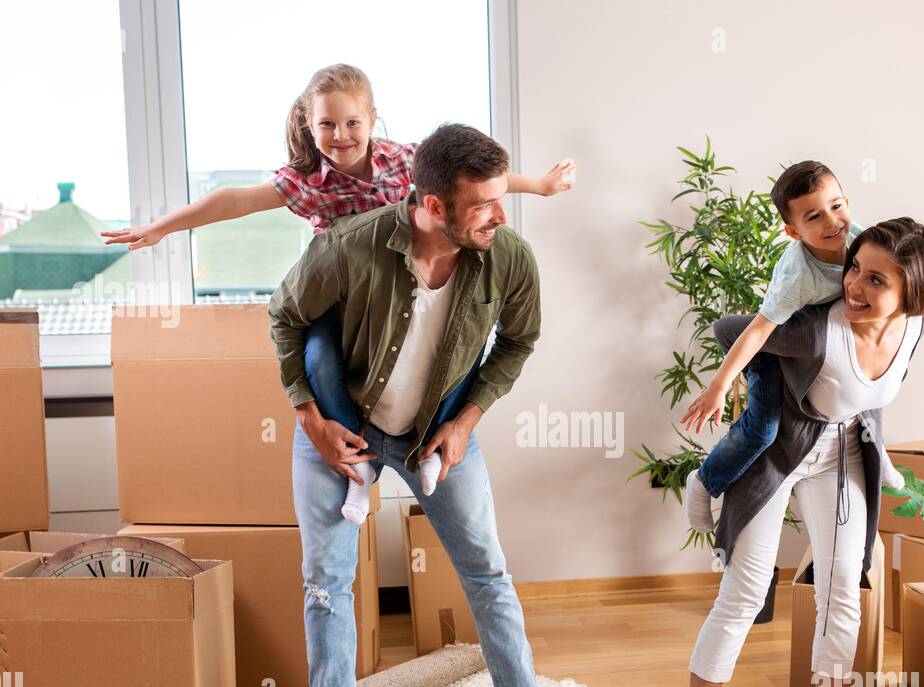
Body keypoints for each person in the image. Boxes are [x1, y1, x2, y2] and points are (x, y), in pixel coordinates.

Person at [103, 63, 574, 525]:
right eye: (326, 124)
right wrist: (161, 229)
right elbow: (235, 200)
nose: (341, 135)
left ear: (373, 121)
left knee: (450, 353)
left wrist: (541, 186)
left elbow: (477, 185)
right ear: (308, 126)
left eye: (353, 123)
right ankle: (358, 467)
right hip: (342, 299)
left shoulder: (402, 160)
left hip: (394, 290)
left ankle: (435, 444)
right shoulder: (305, 181)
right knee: (319, 357)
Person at [268, 123, 588, 687]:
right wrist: (309, 417)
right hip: (342, 424)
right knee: (327, 582)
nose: (501, 215)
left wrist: (467, 422)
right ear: (433, 205)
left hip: (437, 433)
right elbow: (286, 317)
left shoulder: (508, 257)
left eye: (503, 198)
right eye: (484, 204)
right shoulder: (348, 248)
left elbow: (517, 343)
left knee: (488, 575)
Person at [666, 217, 924, 687]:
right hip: (781, 455)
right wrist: (745, 390)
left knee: (843, 588)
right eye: (855, 269)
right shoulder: (816, 329)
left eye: (876, 281)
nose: (855, 285)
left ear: (912, 296)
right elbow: (732, 328)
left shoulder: (920, 323)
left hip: (845, 452)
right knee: (746, 591)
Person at [679, 161, 924, 532]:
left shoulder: (857, 237)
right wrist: (719, 386)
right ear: (793, 231)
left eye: (836, 206)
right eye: (815, 217)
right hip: (777, 349)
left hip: (836, 341)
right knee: (763, 430)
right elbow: (758, 331)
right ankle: (705, 482)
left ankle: (878, 452)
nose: (832, 222)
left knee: (868, 386)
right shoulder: (798, 279)